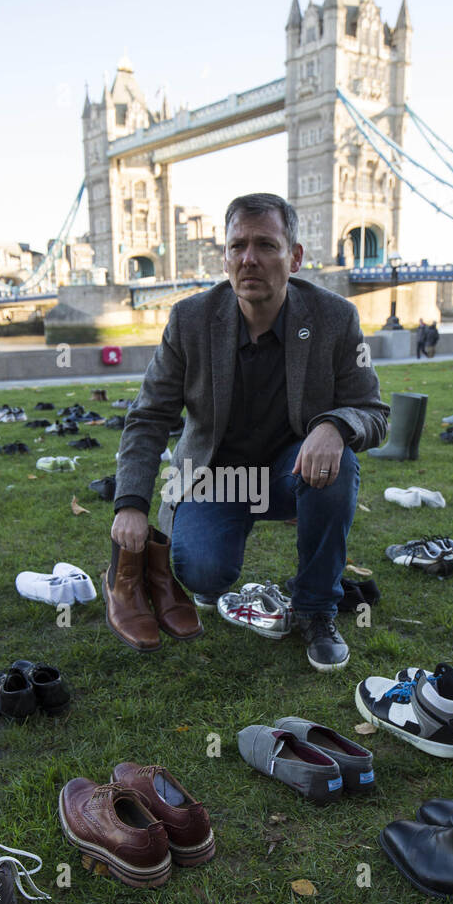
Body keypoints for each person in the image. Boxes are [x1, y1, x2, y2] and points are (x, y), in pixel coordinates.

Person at [110, 191, 389, 671]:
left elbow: (372, 411)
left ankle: (316, 609)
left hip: (292, 471)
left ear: (295, 257)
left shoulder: (335, 318)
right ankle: (193, 569)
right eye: (237, 246)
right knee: (203, 576)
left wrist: (336, 426)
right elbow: (149, 416)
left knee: (339, 461)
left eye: (266, 245)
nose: (249, 259)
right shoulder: (190, 319)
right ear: (225, 257)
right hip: (214, 477)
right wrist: (131, 504)